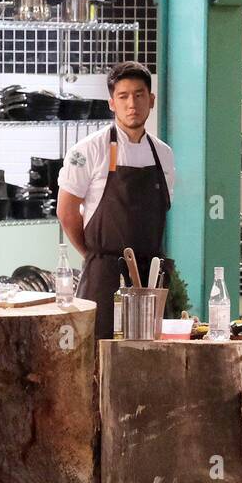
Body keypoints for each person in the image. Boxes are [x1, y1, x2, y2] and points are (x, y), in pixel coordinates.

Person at [58, 61, 175, 340]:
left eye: (139, 95)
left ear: (152, 100)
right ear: (112, 103)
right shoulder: (87, 150)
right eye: (123, 97)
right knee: (99, 362)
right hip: (104, 277)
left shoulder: (164, 154)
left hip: (151, 278)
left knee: (153, 363)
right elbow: (66, 211)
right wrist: (93, 256)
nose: (131, 104)